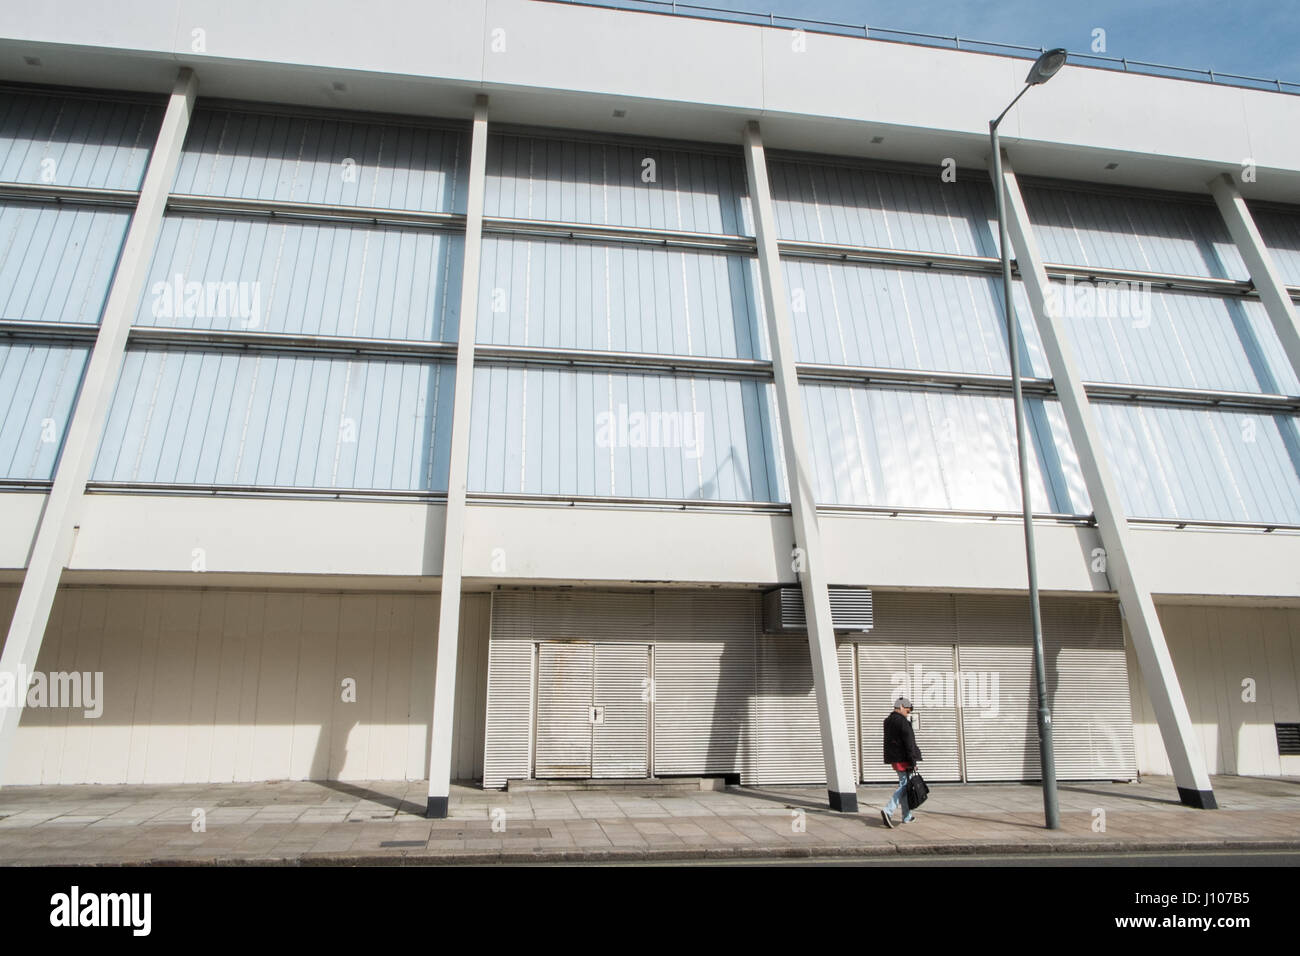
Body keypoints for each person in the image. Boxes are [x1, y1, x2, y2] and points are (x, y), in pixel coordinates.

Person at [881, 695, 922, 828]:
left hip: (895, 758)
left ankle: (907, 816)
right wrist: (913, 761)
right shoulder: (903, 722)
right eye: (907, 710)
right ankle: (888, 810)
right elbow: (909, 743)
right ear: (901, 707)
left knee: (905, 785)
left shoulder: (888, 721)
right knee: (905, 786)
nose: (907, 713)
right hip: (905, 758)